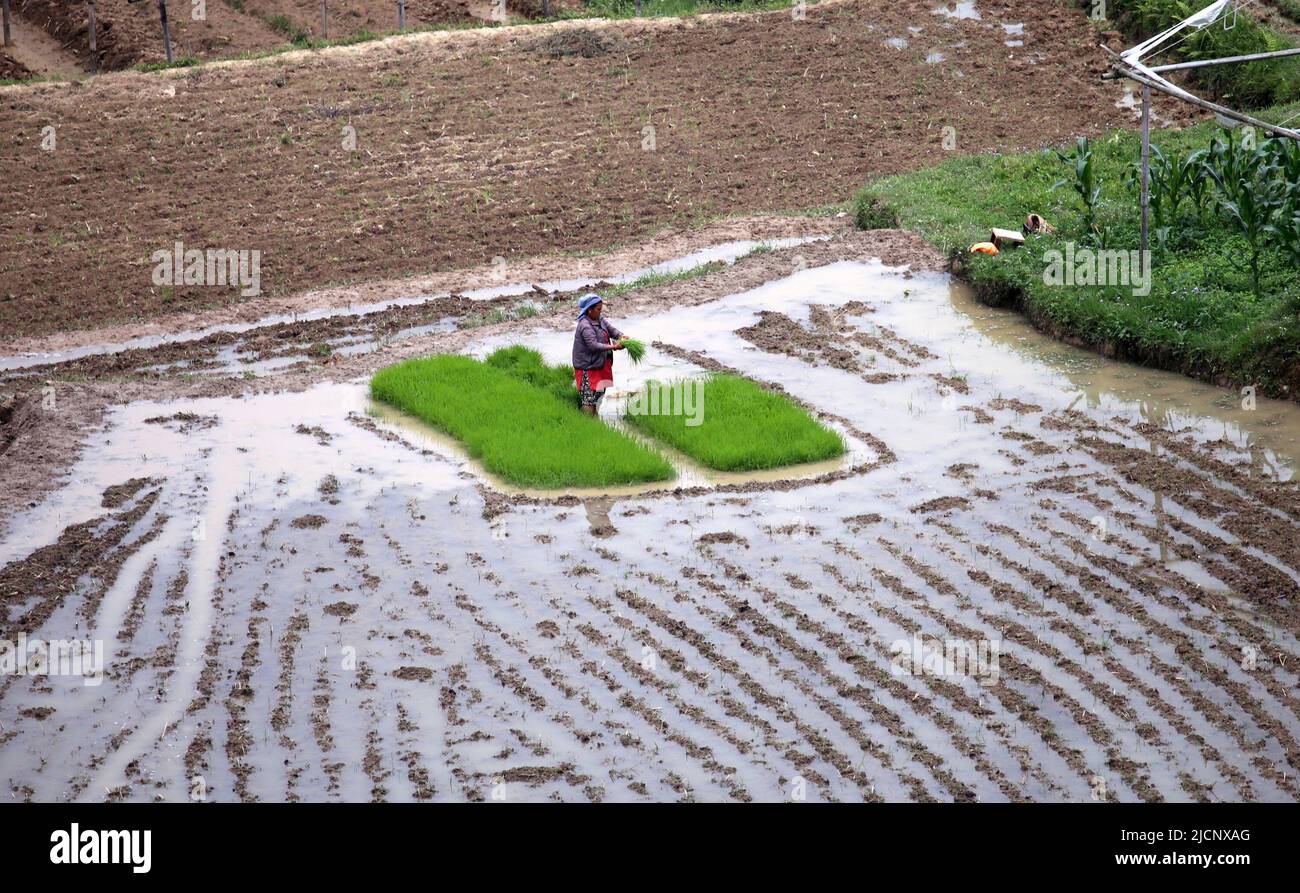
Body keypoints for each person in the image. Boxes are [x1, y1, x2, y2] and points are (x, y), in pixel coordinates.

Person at [572, 293, 627, 416]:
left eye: (601, 309)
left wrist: (621, 336)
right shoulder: (585, 325)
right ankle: (586, 423)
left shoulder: (600, 319)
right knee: (588, 401)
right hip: (588, 368)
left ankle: (594, 419)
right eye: (598, 309)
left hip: (601, 365)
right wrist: (613, 346)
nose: (600, 312)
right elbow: (593, 345)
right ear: (589, 310)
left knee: (598, 398)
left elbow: (612, 330)